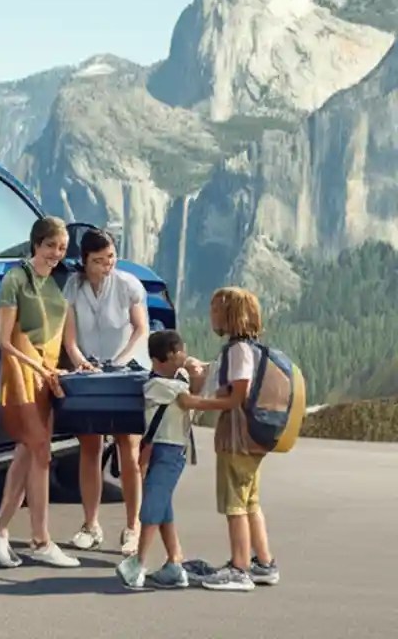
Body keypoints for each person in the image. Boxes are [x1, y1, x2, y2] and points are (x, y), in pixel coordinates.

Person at [0, 216, 81, 569]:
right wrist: (39, 368)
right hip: (23, 371)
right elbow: (3, 341)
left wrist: (77, 363)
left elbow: (67, 336)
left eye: (63, 248)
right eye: (51, 246)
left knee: (27, 453)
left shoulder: (56, 283)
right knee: (40, 451)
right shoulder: (15, 280)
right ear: (36, 244)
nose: (56, 253)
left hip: (47, 372)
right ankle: (41, 540)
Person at [184, 287, 281, 592]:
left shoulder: (237, 350)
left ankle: (239, 567)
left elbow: (235, 398)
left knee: (234, 503)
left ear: (230, 315)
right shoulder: (250, 348)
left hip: (237, 436)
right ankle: (263, 563)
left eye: (216, 310)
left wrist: (194, 403)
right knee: (250, 500)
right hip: (253, 435)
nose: (212, 316)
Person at [61, 228, 151, 556]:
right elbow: (69, 338)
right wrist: (82, 364)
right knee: (90, 447)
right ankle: (90, 524)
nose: (106, 265)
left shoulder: (128, 285)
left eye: (110, 257)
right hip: (89, 373)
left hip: (125, 372)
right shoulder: (73, 287)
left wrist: (120, 361)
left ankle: (133, 526)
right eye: (98, 260)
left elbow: (141, 328)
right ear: (84, 261)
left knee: (128, 448)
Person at [115, 329, 204, 589]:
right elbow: (189, 400)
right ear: (161, 359)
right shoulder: (157, 385)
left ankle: (138, 564)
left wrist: (198, 373)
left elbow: (192, 391)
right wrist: (226, 403)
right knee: (160, 506)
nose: (182, 356)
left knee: (154, 502)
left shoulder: (176, 379)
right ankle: (174, 563)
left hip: (170, 451)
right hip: (163, 449)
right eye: (177, 353)